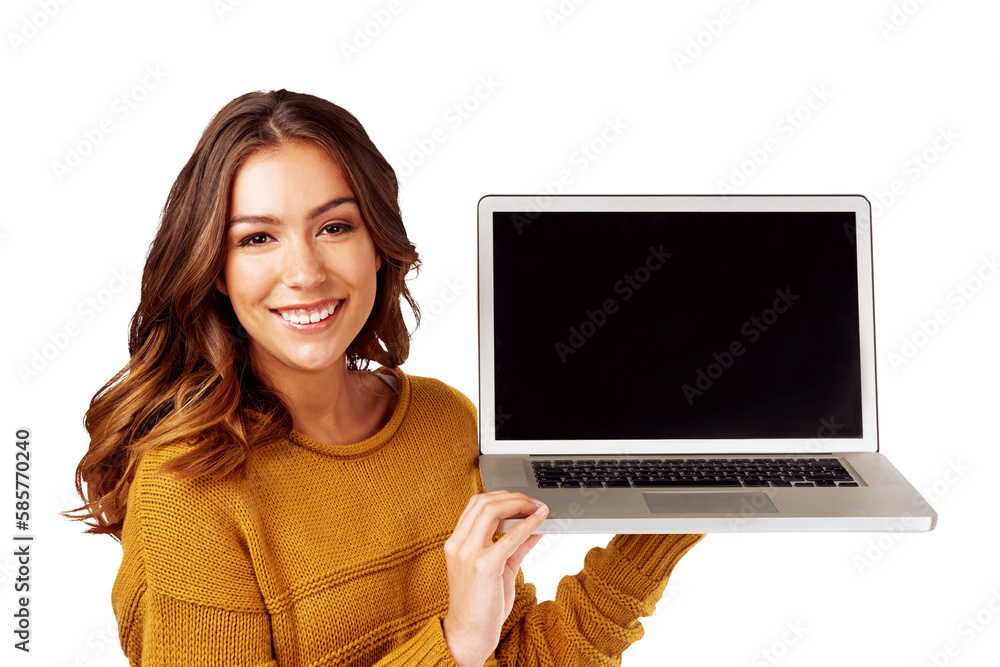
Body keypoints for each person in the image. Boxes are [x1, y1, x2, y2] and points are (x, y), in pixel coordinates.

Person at [65, 89, 705, 666]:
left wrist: (670, 519)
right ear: (214, 268)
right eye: (258, 238)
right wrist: (454, 643)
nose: (306, 271)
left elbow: (514, 657)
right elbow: (471, 645)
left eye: (335, 226)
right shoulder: (189, 488)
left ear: (379, 244)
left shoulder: (441, 420)